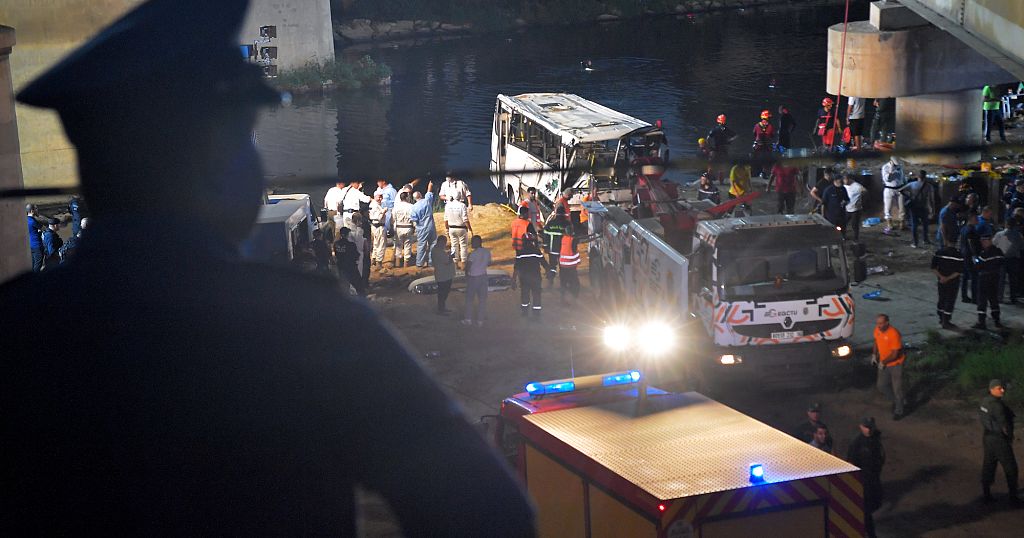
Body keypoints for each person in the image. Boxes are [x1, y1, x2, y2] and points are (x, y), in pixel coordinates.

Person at [0, 2, 537, 534]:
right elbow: (491, 514)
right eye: (245, 138)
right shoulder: (309, 328)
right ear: (211, 157)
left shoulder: (19, 334)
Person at [979, 379, 1019, 504]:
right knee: (1011, 468)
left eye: (1002, 388)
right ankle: (1013, 498)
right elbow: (1004, 424)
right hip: (999, 440)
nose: (1002, 390)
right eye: (999, 388)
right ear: (992, 389)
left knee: (989, 465)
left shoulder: (984, 402)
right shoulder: (997, 405)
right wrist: (1009, 437)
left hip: (987, 438)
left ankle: (986, 494)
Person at [847, 417, 885, 538]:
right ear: (861, 426)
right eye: (866, 427)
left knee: (872, 506)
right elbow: (851, 464)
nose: (868, 430)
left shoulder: (875, 440)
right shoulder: (857, 443)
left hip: (873, 480)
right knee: (865, 511)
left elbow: (881, 457)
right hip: (862, 482)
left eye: (870, 427)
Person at [873, 314, 906, 420]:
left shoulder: (894, 334)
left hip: (895, 365)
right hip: (884, 363)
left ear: (887, 322)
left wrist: (883, 362)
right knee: (881, 385)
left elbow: (895, 354)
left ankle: (899, 411)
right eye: (877, 323)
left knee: (897, 389)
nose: (878, 325)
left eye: (881, 323)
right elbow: (876, 341)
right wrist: (874, 354)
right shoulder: (877, 330)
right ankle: (897, 402)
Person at [973, 234, 1005, 329]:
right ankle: (997, 321)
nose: (982, 243)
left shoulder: (984, 254)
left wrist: (976, 260)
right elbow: (1002, 262)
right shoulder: (998, 251)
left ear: (989, 241)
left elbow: (978, 267)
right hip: (995, 278)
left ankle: (981, 322)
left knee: (982, 300)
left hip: (984, 279)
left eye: (984, 241)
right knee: (994, 300)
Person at [513, 234, 548, 318]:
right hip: (536, 277)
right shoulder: (536, 251)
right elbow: (544, 263)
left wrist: (513, 279)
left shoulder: (520, 252)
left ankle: (525, 312)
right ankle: (536, 314)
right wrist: (549, 271)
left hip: (524, 278)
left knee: (525, 295)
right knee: (536, 295)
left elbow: (516, 267)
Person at [931, 239, 964, 329]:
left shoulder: (939, 252)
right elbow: (959, 271)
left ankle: (941, 318)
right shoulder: (958, 255)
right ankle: (946, 321)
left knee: (942, 298)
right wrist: (948, 278)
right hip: (953, 282)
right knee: (950, 300)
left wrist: (941, 277)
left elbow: (933, 267)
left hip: (941, 281)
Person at [462, 235, 491, 326]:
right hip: (483, 276)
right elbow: (489, 263)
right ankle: (480, 320)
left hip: (473, 277)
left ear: (478, 242)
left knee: (469, 299)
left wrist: (466, 275)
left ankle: (468, 319)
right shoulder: (487, 252)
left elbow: (468, 266)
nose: (472, 244)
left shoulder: (473, 254)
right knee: (482, 299)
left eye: (473, 242)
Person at [993, 218, 1022, 304]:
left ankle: (999, 297)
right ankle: (1013, 297)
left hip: (1001, 258)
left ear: (1006, 224)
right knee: (1013, 279)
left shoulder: (999, 234)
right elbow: (1021, 246)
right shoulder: (1018, 235)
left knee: (1000, 279)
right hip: (1013, 259)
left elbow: (994, 244)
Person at [901, 172, 934, 248]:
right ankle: (925, 240)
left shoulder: (912, 184)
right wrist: (932, 209)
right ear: (925, 177)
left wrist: (909, 196)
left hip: (914, 207)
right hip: (924, 207)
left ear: (917, 176)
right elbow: (932, 199)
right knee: (925, 225)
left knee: (914, 225)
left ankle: (915, 243)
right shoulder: (929, 186)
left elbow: (901, 190)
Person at [410, 181, 437, 267]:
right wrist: (430, 185)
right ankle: (431, 262)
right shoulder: (427, 202)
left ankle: (419, 263)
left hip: (421, 228)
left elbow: (414, 220)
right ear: (420, 195)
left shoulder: (414, 207)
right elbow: (429, 192)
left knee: (421, 245)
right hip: (431, 226)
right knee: (433, 244)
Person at [334, 226, 365, 297]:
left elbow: (336, 255)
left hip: (341, 268)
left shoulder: (336, 244)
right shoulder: (351, 245)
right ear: (347, 234)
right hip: (351, 268)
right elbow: (356, 255)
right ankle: (362, 303)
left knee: (344, 288)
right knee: (359, 287)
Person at [542, 206, 569, 287]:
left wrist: (545, 247)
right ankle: (563, 284)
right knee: (563, 267)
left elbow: (545, 236)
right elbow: (572, 237)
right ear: (564, 214)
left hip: (552, 250)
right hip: (563, 250)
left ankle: (551, 281)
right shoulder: (567, 224)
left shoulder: (550, 223)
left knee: (552, 266)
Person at [707, 114, 737, 184]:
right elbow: (735, 135)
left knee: (711, 165)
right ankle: (721, 181)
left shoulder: (715, 129)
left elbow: (708, 138)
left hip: (715, 149)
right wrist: (730, 140)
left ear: (718, 121)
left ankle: (709, 179)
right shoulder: (727, 130)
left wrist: (710, 147)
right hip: (723, 150)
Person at [444, 193, 471, 270]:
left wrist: (446, 229)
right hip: (461, 228)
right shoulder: (462, 205)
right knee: (463, 246)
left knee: (454, 246)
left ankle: (455, 264)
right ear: (460, 197)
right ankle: (463, 264)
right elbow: (465, 219)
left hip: (451, 228)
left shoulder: (448, 205)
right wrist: (469, 228)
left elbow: (445, 219)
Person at [960, 213, 981, 304]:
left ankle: (964, 296)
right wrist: (975, 256)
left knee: (965, 277)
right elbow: (971, 243)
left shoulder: (964, 228)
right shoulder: (971, 230)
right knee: (974, 277)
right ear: (971, 218)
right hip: (969, 256)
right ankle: (975, 298)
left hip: (964, 254)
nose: (977, 220)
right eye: (976, 218)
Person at [431, 235, 455, 315]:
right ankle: (441, 309)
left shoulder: (437, 250)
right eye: (444, 242)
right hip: (443, 275)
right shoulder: (437, 251)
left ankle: (442, 308)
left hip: (444, 274)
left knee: (443, 292)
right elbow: (447, 262)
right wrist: (451, 257)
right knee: (443, 292)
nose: (445, 244)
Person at [881, 156, 906, 231]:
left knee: (901, 207)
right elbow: (887, 179)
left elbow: (902, 177)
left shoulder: (900, 166)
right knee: (888, 207)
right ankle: (889, 223)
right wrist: (891, 169)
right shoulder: (885, 167)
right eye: (895, 164)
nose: (896, 165)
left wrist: (905, 184)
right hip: (889, 189)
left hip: (900, 188)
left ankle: (902, 223)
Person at [392, 190, 415, 267]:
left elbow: (393, 218)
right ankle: (406, 265)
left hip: (399, 227)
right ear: (407, 197)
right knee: (407, 246)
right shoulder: (411, 206)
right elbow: (413, 218)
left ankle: (397, 264)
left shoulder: (396, 207)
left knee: (398, 246)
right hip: (408, 227)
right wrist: (414, 227)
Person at [559, 229, 581, 305]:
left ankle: (563, 299)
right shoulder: (573, 240)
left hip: (562, 265)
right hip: (571, 266)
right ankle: (573, 298)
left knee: (564, 283)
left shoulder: (563, 238)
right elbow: (574, 249)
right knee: (575, 283)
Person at [843, 174, 868, 241]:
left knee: (854, 225)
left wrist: (860, 201)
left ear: (849, 179)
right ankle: (843, 236)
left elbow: (865, 191)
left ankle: (855, 238)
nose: (844, 182)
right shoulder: (844, 186)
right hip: (847, 208)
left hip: (856, 209)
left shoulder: (857, 186)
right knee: (843, 223)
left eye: (845, 180)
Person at [751, 109, 775, 177]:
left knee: (754, 156)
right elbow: (772, 135)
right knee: (767, 158)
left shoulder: (757, 125)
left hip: (758, 145)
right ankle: (764, 172)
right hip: (766, 146)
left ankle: (754, 171)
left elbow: (754, 134)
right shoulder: (770, 126)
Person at [368, 193, 388, 269]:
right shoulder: (375, 205)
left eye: (381, 197)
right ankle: (379, 262)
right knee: (381, 244)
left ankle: (373, 259)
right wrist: (384, 211)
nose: (380, 198)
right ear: (375, 196)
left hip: (374, 226)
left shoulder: (373, 204)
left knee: (376, 243)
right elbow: (378, 218)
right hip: (378, 226)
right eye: (379, 197)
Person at [25, 203, 45, 272]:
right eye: (36, 208)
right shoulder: (33, 221)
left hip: (30, 245)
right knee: (38, 265)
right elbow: (43, 228)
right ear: (32, 211)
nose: (37, 210)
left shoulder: (26, 220)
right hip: (37, 245)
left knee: (33, 264)